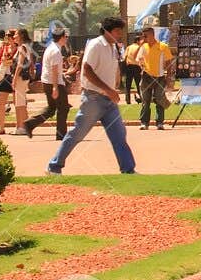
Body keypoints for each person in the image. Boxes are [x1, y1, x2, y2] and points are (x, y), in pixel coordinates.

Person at [48, 17, 136, 175]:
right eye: (117, 31)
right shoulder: (96, 45)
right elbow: (87, 70)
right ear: (107, 31)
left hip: (109, 101)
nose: (120, 34)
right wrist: (108, 90)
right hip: (93, 99)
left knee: (119, 135)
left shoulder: (113, 47)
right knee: (77, 133)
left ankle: (128, 169)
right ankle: (54, 166)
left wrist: (113, 89)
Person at [24, 28, 71, 140]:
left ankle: (30, 124)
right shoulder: (55, 51)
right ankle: (61, 134)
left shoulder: (51, 48)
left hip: (48, 82)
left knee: (52, 108)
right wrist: (55, 87)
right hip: (54, 83)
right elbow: (54, 70)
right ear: (62, 37)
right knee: (63, 108)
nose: (67, 39)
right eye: (66, 37)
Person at [128, 26, 173, 130]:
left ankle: (159, 122)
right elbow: (134, 58)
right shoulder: (143, 47)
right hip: (146, 76)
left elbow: (169, 63)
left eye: (145, 35)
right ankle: (144, 123)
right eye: (143, 36)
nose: (144, 37)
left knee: (159, 99)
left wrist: (169, 77)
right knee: (145, 100)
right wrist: (140, 45)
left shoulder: (163, 46)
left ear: (152, 35)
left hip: (159, 76)